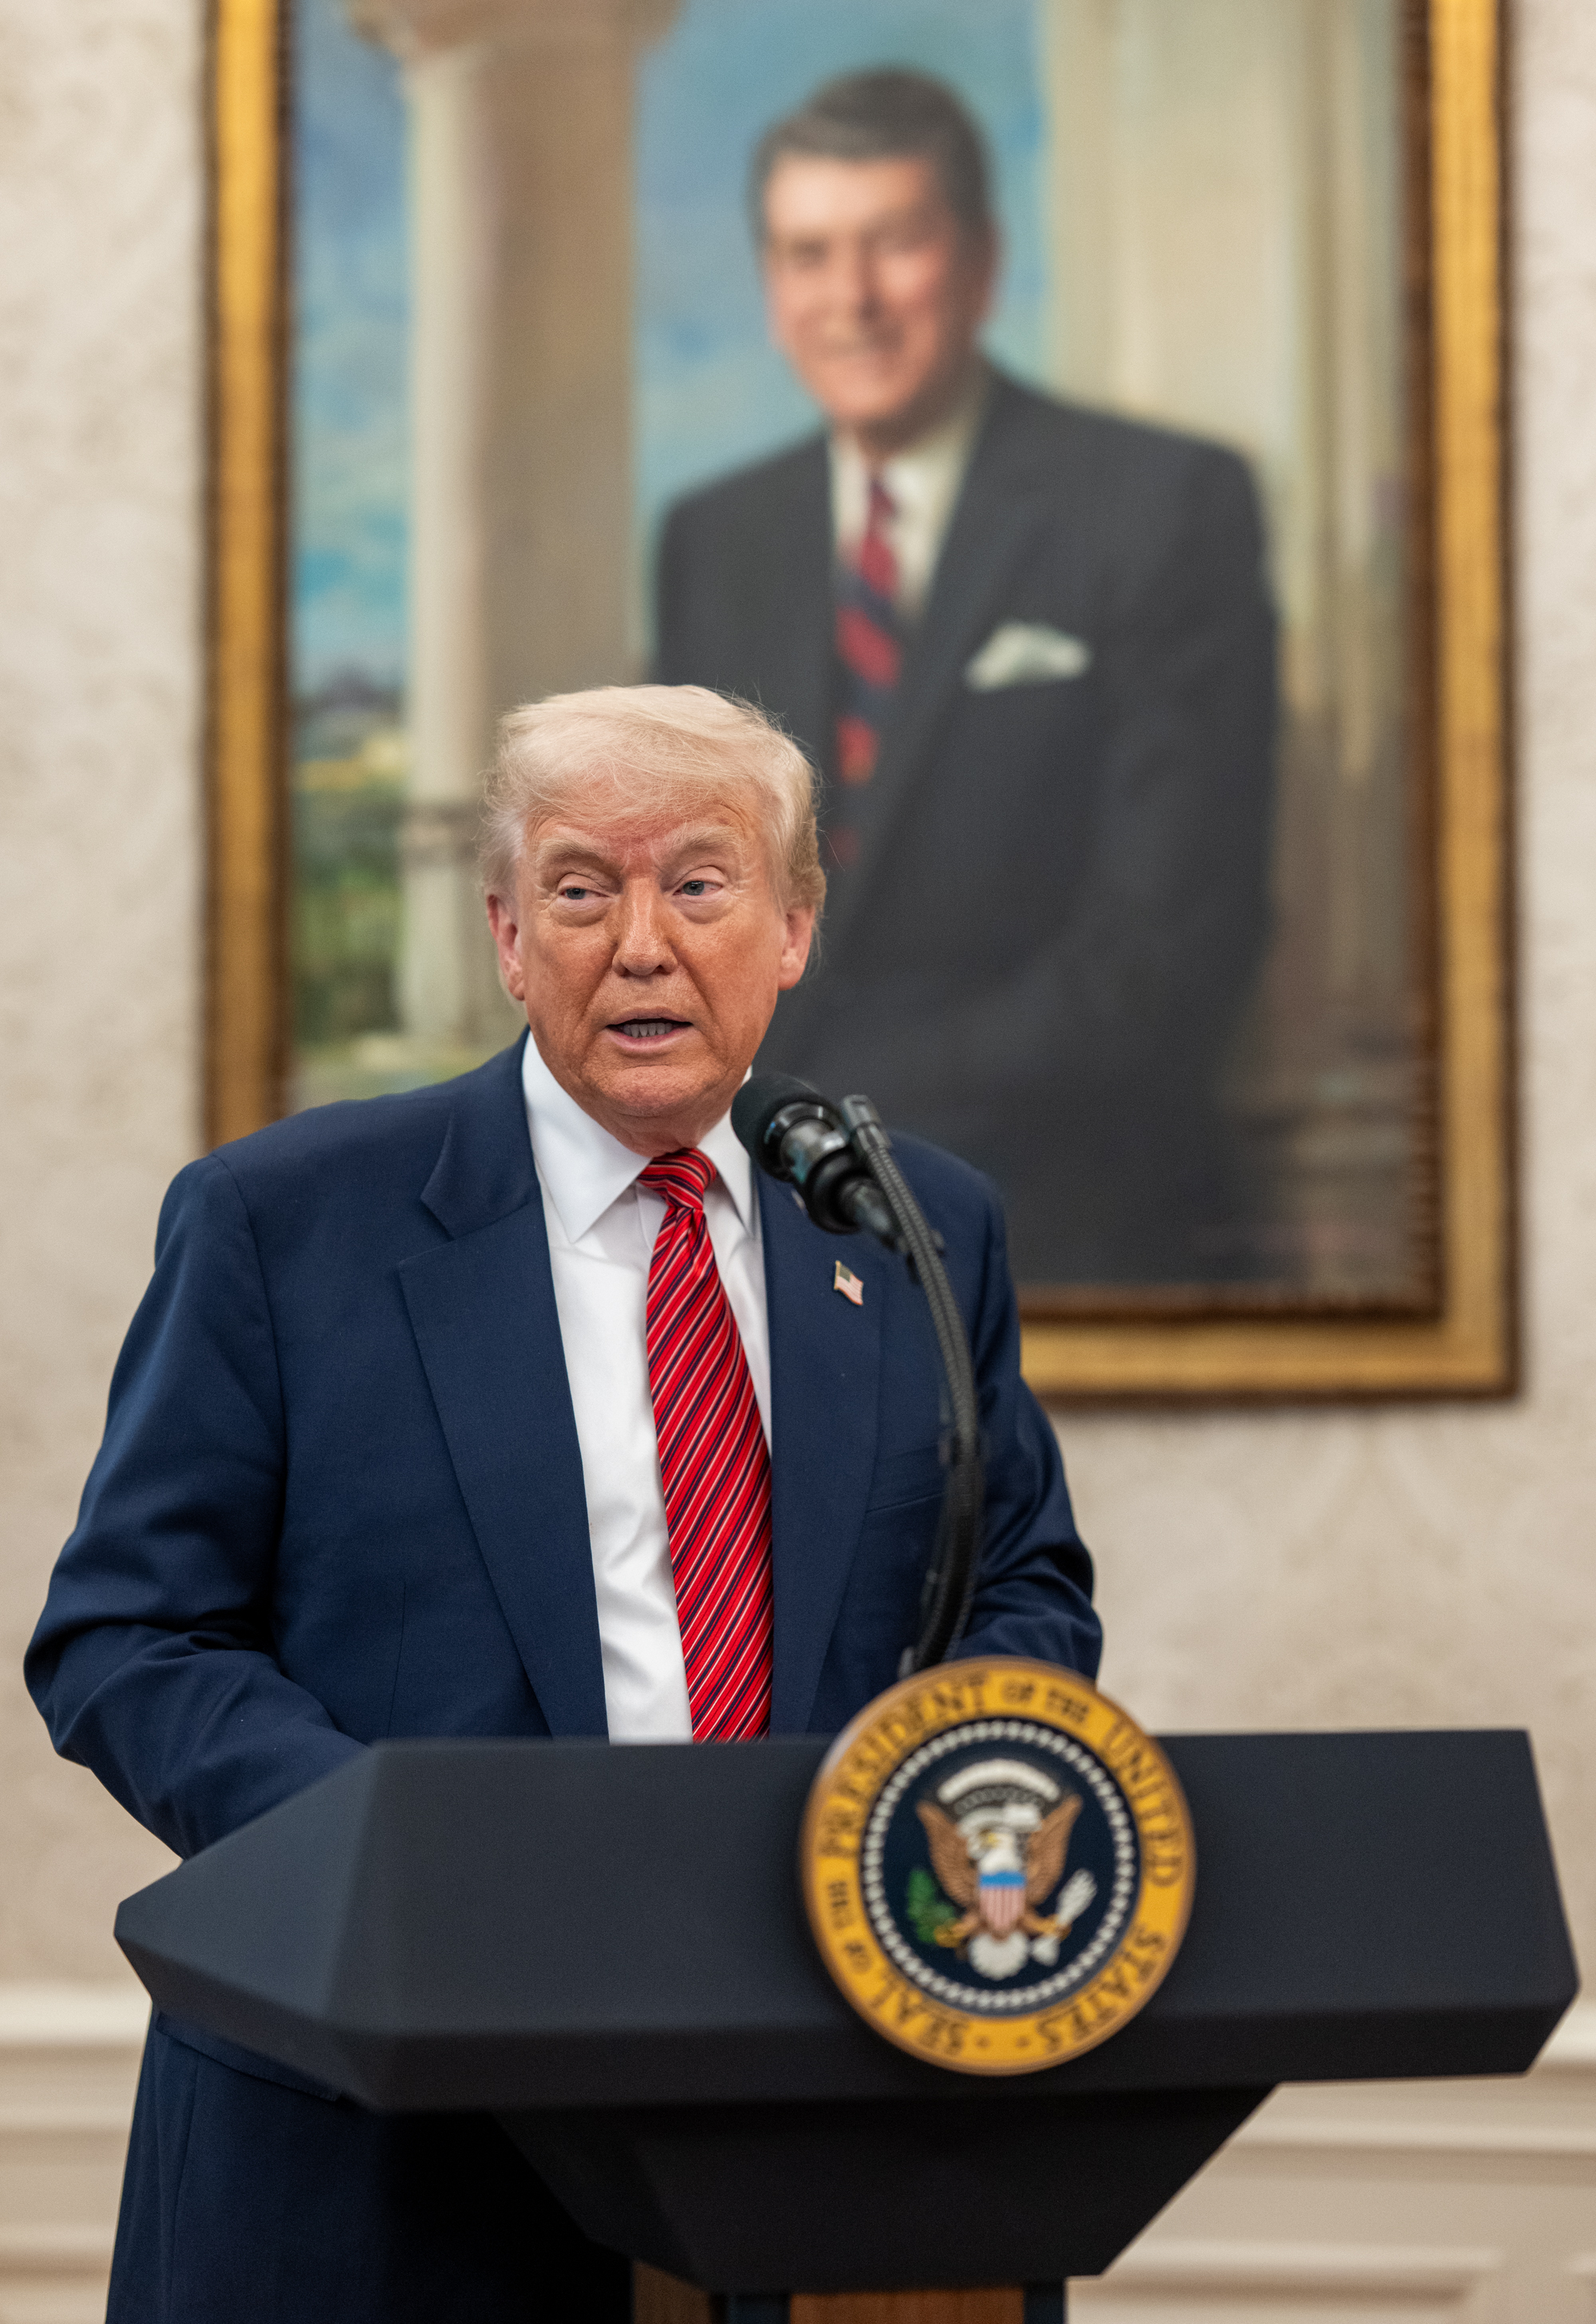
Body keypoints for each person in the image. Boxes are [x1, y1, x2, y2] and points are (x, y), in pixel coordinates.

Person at [26, 685, 1100, 2324]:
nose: (642, 942)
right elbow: (127, 1636)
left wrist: (924, 1839)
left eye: (701, 880)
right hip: (386, 2149)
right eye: (584, 888)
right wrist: (399, 1858)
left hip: (834, 2118)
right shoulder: (284, 1224)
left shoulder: (912, 1221)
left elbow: (1022, 1585)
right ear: (509, 936)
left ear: (794, 924)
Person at [656, 69, 1279, 1285]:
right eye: (808, 254)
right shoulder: (714, 539)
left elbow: (1166, 958)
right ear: (772, 287)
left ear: (983, 263)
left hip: (1077, 1238)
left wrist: (813, 1096)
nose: (854, 300)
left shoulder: (1162, 510)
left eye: (895, 244)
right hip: (771, 1257)